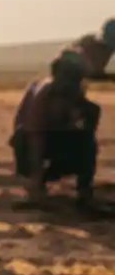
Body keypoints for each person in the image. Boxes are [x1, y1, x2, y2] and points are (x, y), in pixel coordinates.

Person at [11, 52, 101, 210]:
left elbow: (84, 130)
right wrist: (36, 181)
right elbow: (35, 136)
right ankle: (36, 186)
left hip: (53, 137)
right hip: (30, 141)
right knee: (24, 139)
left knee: (87, 138)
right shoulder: (44, 94)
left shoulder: (73, 91)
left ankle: (84, 192)